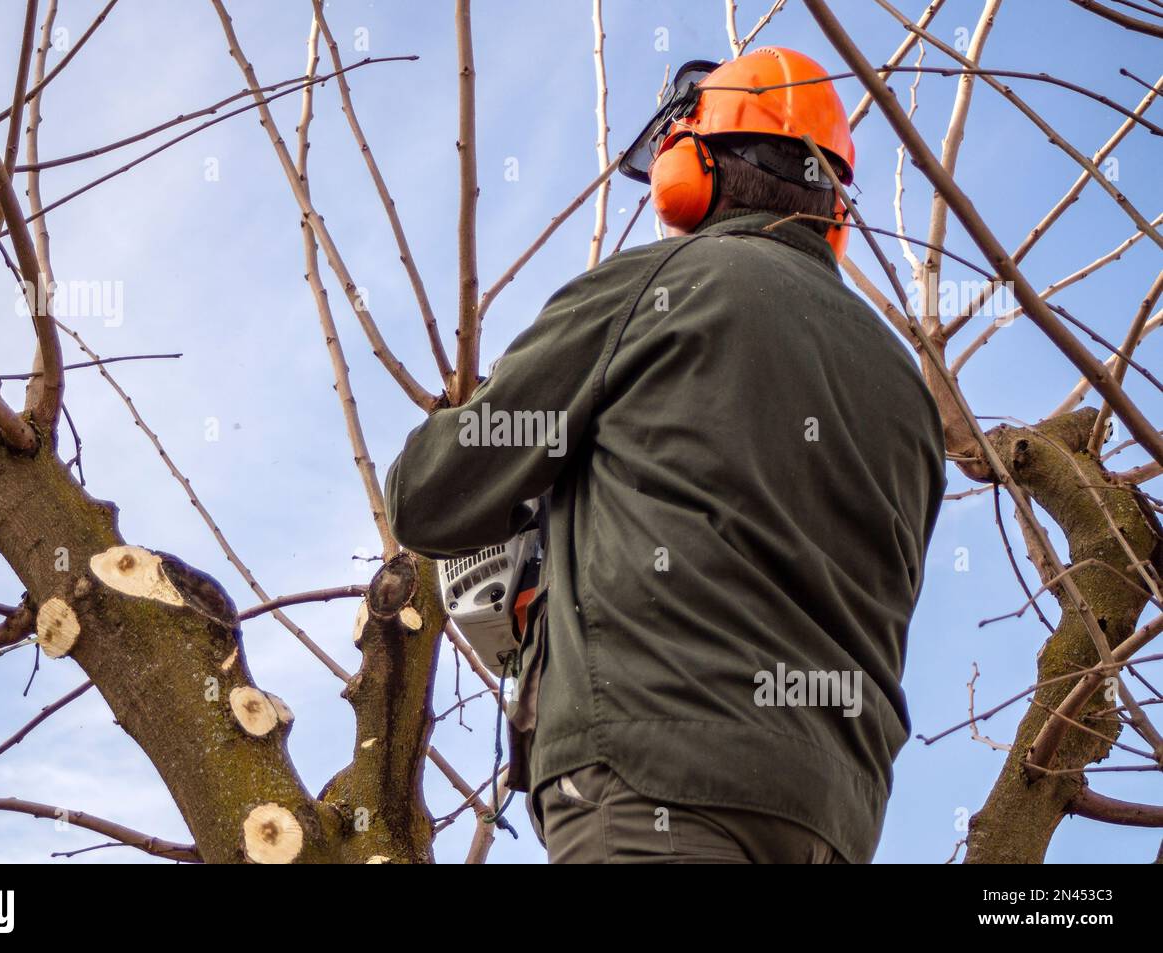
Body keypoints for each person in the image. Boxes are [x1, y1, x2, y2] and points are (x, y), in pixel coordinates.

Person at [385, 48, 945, 864]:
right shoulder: (907, 392)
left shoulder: (659, 284)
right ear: (835, 211)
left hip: (654, 782)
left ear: (692, 161)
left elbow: (429, 494)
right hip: (833, 818)